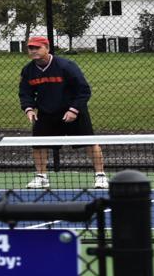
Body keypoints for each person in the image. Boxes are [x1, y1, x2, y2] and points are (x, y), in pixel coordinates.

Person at [18, 36, 107, 191]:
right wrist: (29, 108)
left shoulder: (66, 66)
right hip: (46, 113)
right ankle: (41, 177)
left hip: (73, 111)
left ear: (47, 48)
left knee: (90, 143)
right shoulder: (28, 70)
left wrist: (74, 110)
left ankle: (101, 176)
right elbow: (25, 92)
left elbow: (83, 90)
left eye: (37, 48)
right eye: (30, 48)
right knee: (38, 145)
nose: (33, 51)